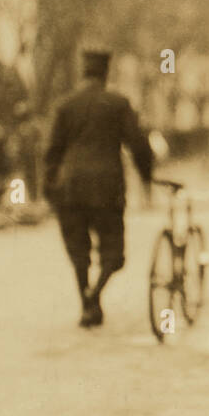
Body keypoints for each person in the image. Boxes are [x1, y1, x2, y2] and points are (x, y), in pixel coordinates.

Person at [44, 50, 153, 328]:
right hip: (107, 187)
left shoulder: (66, 105)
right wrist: (147, 176)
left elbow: (52, 151)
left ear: (83, 72)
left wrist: (48, 186)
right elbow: (138, 145)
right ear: (106, 72)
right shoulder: (117, 104)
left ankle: (87, 304)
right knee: (113, 252)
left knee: (78, 251)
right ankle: (95, 294)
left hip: (71, 187)